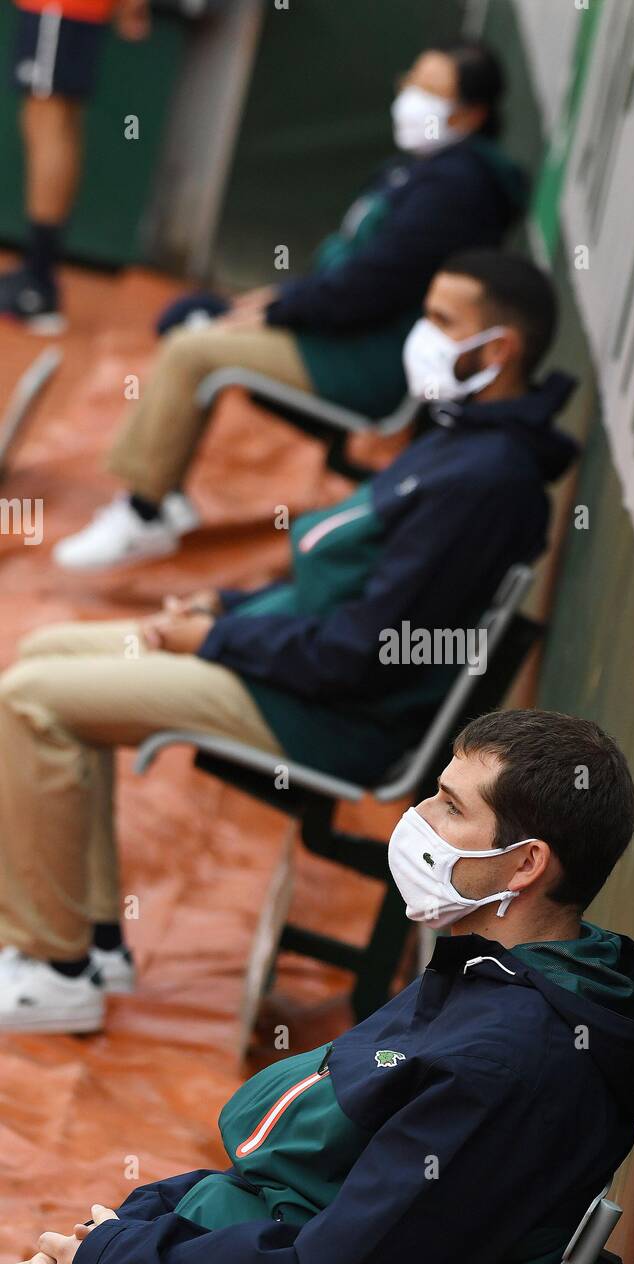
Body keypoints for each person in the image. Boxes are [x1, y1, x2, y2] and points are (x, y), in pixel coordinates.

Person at [0, 250, 577, 1034]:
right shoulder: (462, 435)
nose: (421, 335)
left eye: (443, 321)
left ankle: (54, 969)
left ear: (498, 349)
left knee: (31, 700)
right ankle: (96, 945)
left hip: (326, 712)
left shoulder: (486, 480)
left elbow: (360, 654)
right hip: (290, 665)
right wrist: (224, 604)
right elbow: (338, 595)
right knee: (46, 654)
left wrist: (216, 637)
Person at [1, 708, 634, 1264]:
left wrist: (117, 1263)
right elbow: (298, 1198)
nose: (417, 819)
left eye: (451, 808)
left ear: (526, 864)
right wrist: (131, 1232)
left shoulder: (503, 1063)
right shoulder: (498, 974)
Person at [52, 40, 528, 572]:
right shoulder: (420, 168)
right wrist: (280, 300)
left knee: (193, 350)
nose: (412, 98)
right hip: (342, 332)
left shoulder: (458, 188)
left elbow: (370, 290)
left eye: (432, 89)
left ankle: (144, 512)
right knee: (192, 316)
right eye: (411, 81)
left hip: (368, 358)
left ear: (472, 113)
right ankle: (167, 491)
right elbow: (351, 276)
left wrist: (280, 311)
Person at [0, 0, 150, 331]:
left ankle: (37, 283)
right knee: (57, 121)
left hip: (58, 7)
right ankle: (38, 272)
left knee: (48, 120)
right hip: (75, 10)